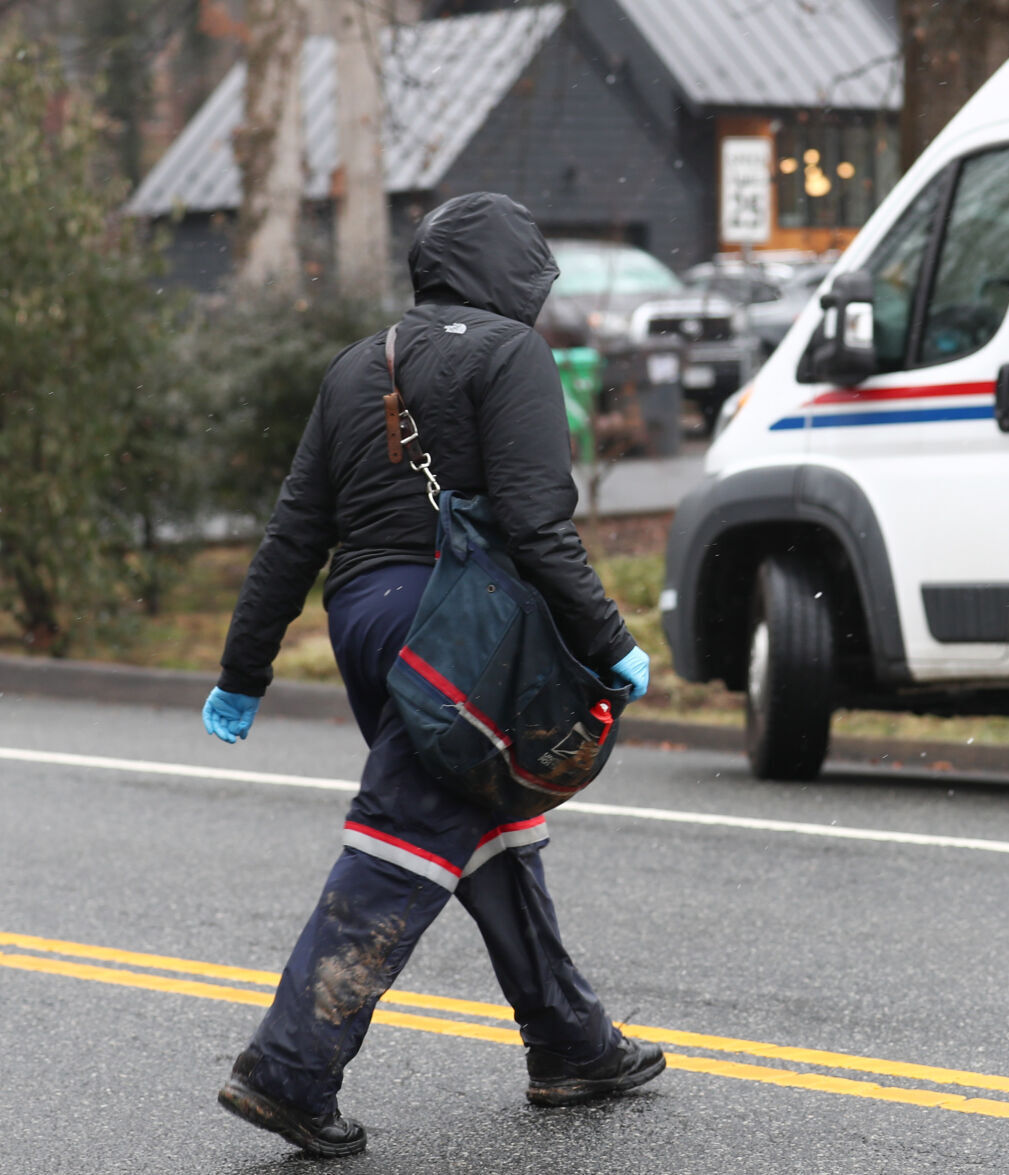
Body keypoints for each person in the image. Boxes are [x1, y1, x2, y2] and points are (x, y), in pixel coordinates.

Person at [201, 192, 663, 1158]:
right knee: (406, 833)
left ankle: (571, 1042)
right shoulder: (511, 355)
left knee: (485, 821)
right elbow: (537, 528)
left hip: (364, 623)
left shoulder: (356, 366)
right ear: (514, 276)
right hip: (457, 631)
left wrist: (245, 669)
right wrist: (611, 641)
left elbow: (295, 535)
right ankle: (289, 1070)